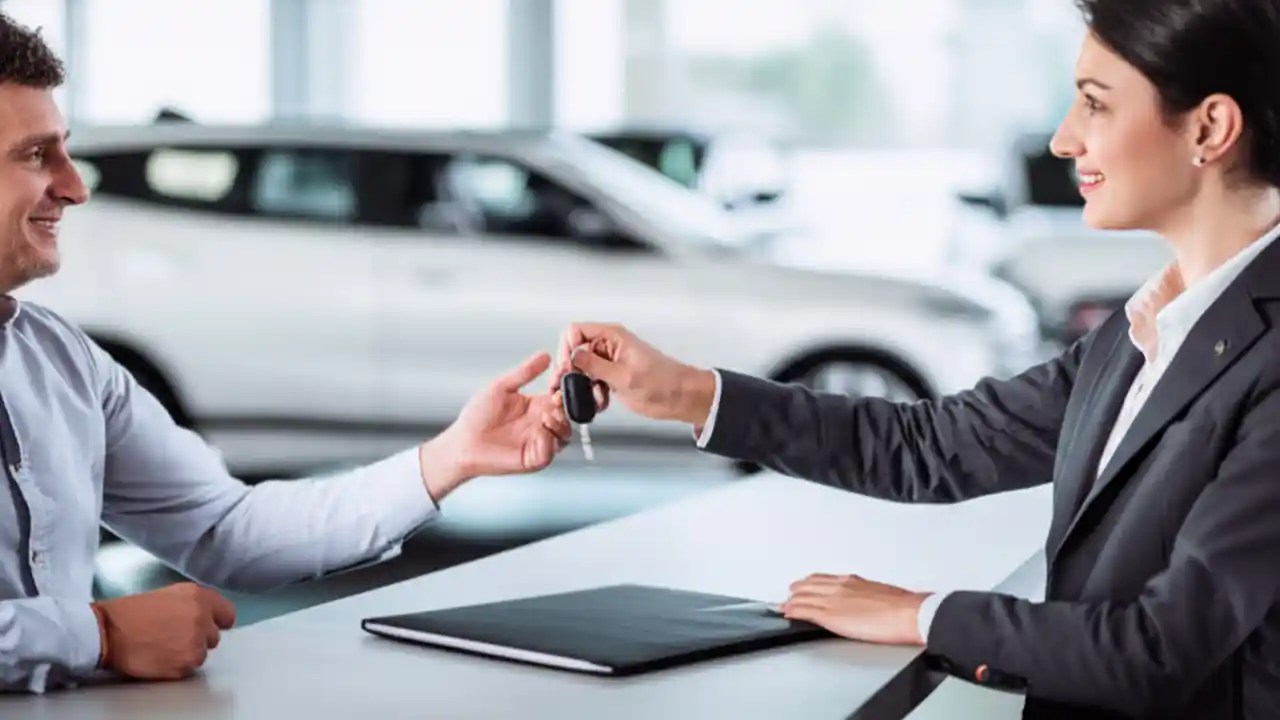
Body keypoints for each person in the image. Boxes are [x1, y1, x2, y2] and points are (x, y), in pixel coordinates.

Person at [554, 0, 1280, 716]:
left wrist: (923, 616)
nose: (1063, 140)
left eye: (1095, 104)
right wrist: (687, 393)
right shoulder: (1145, 328)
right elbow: (933, 445)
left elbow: (1160, 647)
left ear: (1210, 127)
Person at [0, 15, 572, 693]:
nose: (76, 186)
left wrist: (450, 457)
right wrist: (98, 634)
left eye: (66, 151)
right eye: (38, 155)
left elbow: (227, 530)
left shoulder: (62, 361)